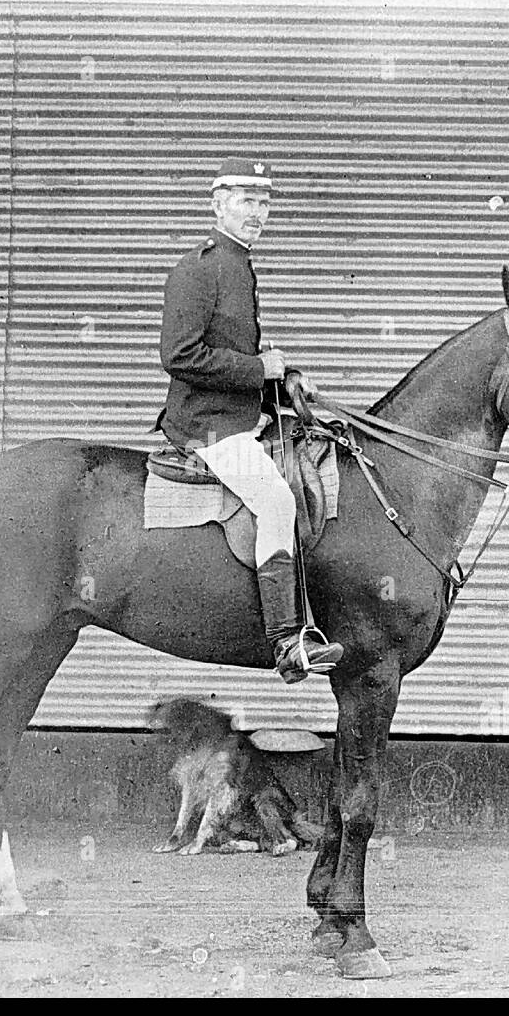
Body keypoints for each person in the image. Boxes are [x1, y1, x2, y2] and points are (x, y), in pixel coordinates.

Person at [154, 156, 343, 684]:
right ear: (218, 204)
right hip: (208, 422)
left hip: (238, 413)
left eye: (263, 202)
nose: (256, 213)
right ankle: (287, 641)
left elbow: (229, 350)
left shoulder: (238, 263)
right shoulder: (200, 267)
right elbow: (180, 355)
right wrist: (259, 367)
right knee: (276, 500)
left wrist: (282, 380)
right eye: (245, 201)